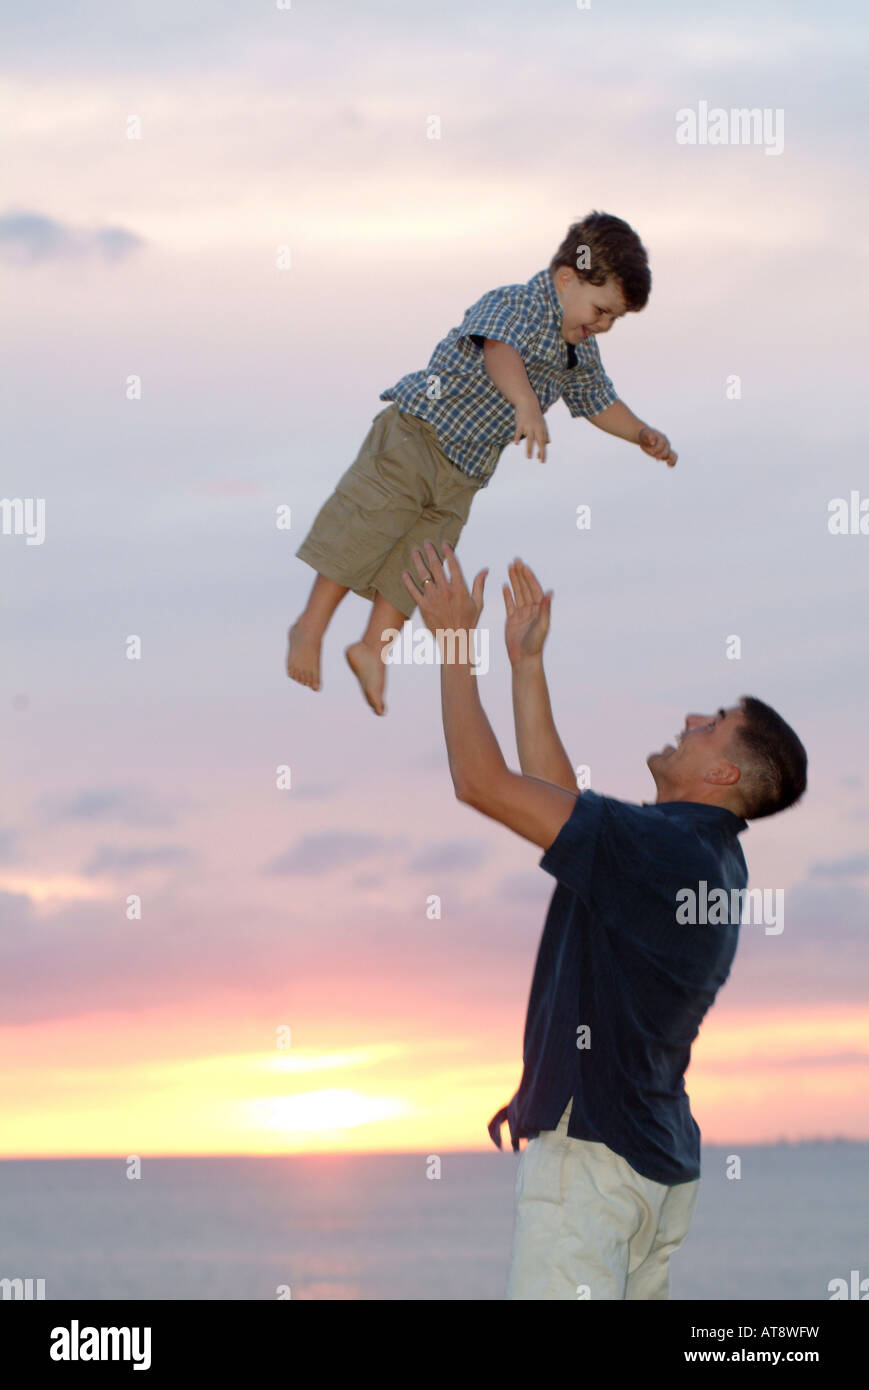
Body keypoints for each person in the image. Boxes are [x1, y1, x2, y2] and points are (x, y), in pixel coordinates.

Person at [401, 541, 808, 1301]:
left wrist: (453, 642)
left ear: (722, 773)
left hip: (594, 1165)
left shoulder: (663, 851)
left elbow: (481, 783)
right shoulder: (705, 857)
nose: (692, 718)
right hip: (648, 1161)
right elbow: (555, 806)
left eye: (714, 723)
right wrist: (526, 665)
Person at [287, 211, 677, 715]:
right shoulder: (515, 304)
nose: (602, 325)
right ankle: (310, 626)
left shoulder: (579, 353)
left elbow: (599, 401)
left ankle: (372, 648)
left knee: (421, 564)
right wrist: (526, 402)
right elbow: (498, 351)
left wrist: (640, 432)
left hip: (463, 475)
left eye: (613, 320)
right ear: (567, 279)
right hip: (416, 435)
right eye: (601, 310)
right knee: (366, 524)